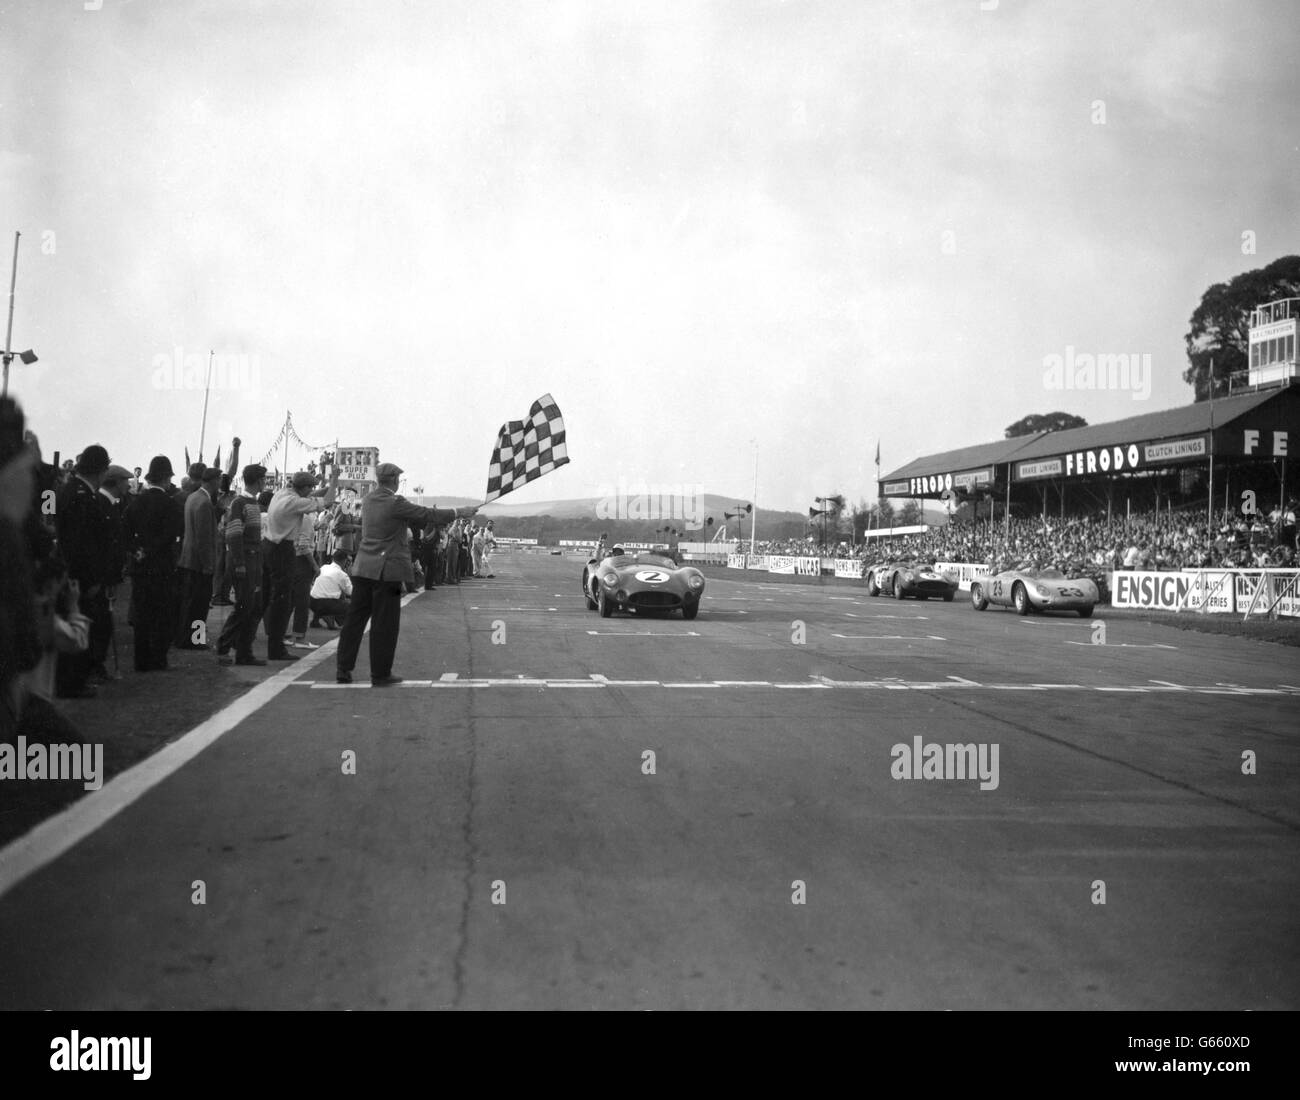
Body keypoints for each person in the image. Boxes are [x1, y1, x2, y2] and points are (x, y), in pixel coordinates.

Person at [335, 464, 476, 686]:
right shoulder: (395, 502)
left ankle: (343, 668)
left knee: (355, 619)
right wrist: (459, 512)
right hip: (387, 570)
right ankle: (380, 674)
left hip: (363, 568)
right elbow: (427, 514)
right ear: (394, 480)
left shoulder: (369, 500)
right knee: (385, 624)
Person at [53, 443, 114, 698]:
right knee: (80, 623)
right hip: (79, 576)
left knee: (77, 623)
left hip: (71, 573)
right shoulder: (81, 495)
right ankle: (72, 682)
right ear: (100, 471)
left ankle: (73, 679)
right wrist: (90, 579)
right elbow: (81, 544)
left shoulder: (73, 491)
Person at [261, 471, 337, 661]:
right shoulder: (295, 503)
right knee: (282, 600)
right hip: (283, 550)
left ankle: (266, 643)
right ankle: (276, 649)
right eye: (309, 487)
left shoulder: (282, 494)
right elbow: (326, 502)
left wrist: (327, 486)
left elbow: (314, 495)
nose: (312, 491)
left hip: (270, 547)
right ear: (303, 488)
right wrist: (334, 479)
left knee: (271, 598)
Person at [123, 456, 185, 671]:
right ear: (167, 479)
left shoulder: (137, 502)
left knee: (141, 615)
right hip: (162, 566)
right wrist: (151, 549)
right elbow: (173, 534)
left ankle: (141, 660)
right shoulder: (170, 504)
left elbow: (125, 532)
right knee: (162, 615)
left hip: (140, 565)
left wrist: (137, 550)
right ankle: (158, 658)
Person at [216, 464, 269, 666]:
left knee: (254, 607)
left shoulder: (252, 502)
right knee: (244, 606)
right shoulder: (240, 503)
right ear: (257, 480)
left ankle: (244, 651)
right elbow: (234, 534)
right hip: (244, 559)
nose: (265, 482)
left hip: (254, 559)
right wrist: (239, 563)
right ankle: (224, 646)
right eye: (264, 479)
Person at [176, 466, 221, 650]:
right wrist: (208, 564)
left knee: (189, 603)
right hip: (199, 562)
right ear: (213, 481)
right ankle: (195, 640)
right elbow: (203, 537)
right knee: (200, 605)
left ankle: (185, 637)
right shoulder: (203, 502)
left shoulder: (192, 498)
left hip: (188, 558)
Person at [310, 549, 352, 629]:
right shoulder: (342, 574)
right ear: (345, 561)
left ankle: (316, 619)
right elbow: (350, 592)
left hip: (312, 602)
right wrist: (349, 572)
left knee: (323, 592)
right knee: (350, 605)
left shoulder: (324, 567)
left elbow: (314, 581)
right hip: (327, 604)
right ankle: (328, 615)